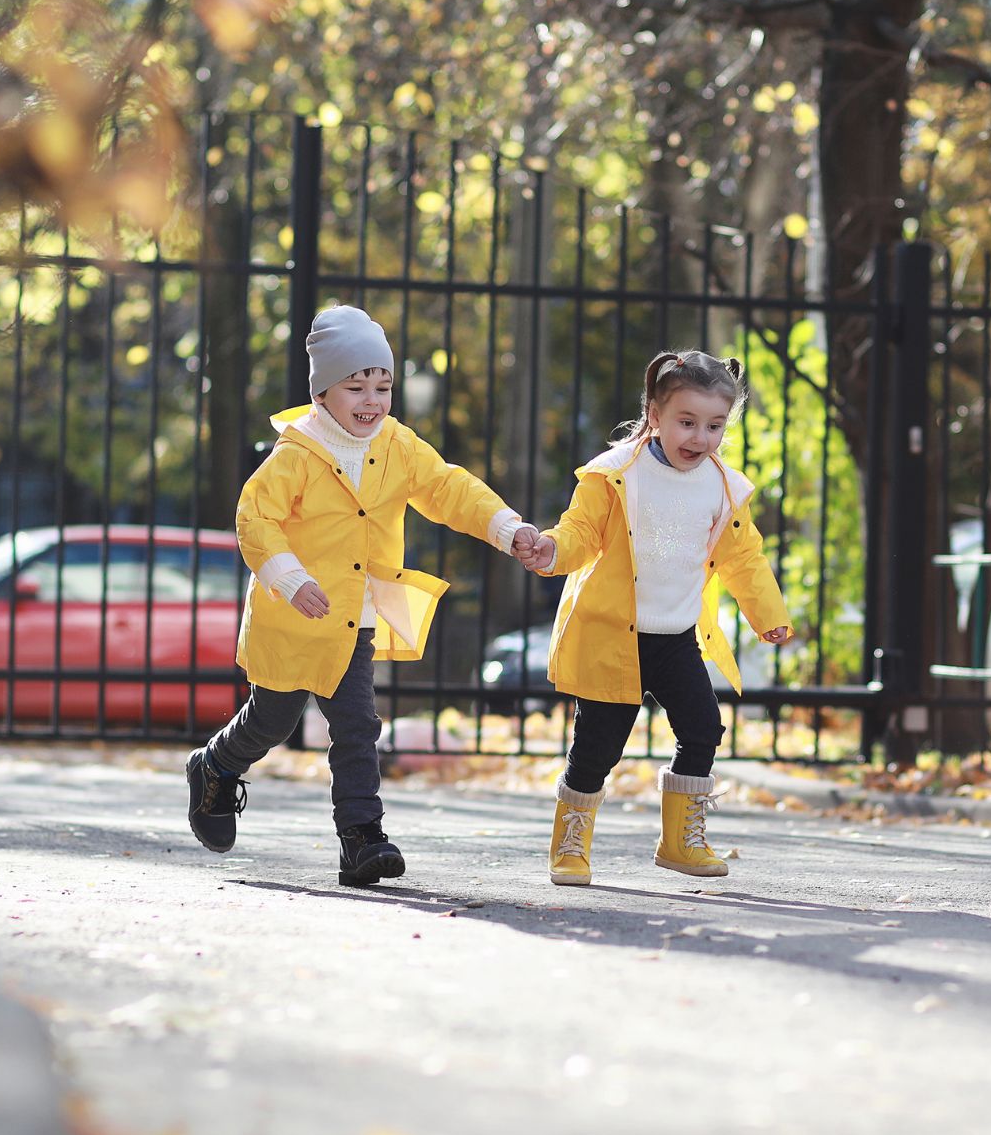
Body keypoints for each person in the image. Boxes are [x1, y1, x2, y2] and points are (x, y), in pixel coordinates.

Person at [187, 304, 538, 886]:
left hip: (357, 615)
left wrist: (508, 527)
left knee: (356, 726)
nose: (372, 399)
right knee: (271, 721)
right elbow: (255, 519)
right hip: (296, 614)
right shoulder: (295, 455)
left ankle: (361, 839)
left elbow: (448, 487)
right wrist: (290, 579)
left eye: (383, 385)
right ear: (323, 393)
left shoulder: (396, 443)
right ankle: (216, 765)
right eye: (356, 386)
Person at [516, 349, 792, 886]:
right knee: (598, 746)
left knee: (704, 727)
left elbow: (744, 557)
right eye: (686, 422)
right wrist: (552, 550)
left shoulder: (725, 487)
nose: (699, 437)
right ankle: (570, 845)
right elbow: (580, 532)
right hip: (611, 637)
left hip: (675, 638)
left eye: (714, 426)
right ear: (655, 415)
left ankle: (680, 842)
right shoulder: (616, 474)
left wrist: (767, 614)